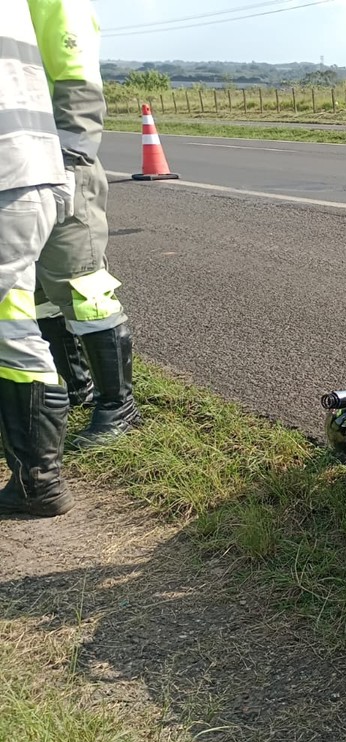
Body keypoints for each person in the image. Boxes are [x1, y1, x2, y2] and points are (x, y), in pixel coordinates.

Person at [28, 0, 141, 449]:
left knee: (83, 286)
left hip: (57, 170)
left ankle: (118, 406)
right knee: (39, 292)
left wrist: (69, 164)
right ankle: (76, 389)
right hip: (17, 171)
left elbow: (77, 79)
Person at [0, 0, 77, 516]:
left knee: (9, 326)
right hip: (33, 165)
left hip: (10, 174)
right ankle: (37, 476)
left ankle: (39, 481)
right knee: (13, 316)